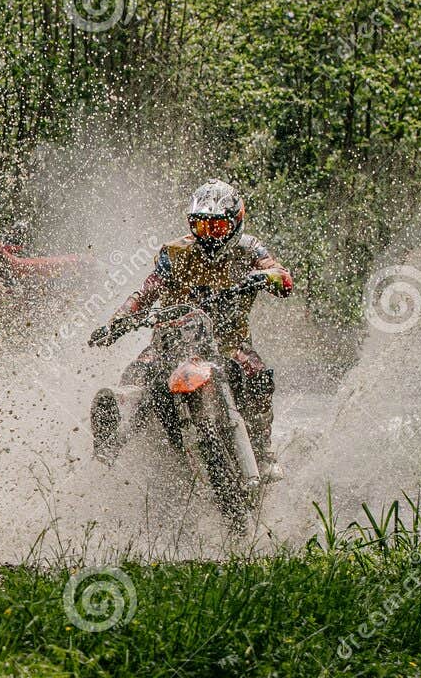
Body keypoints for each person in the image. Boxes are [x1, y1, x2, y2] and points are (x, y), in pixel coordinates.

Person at [88, 179, 294, 482]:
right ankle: (117, 446)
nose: (209, 235)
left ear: (235, 223)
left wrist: (264, 278)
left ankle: (263, 452)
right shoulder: (173, 252)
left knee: (258, 375)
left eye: (217, 228)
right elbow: (145, 292)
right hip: (171, 344)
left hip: (228, 345)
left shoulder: (249, 249)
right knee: (136, 374)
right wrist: (116, 323)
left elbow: (283, 277)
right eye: (201, 226)